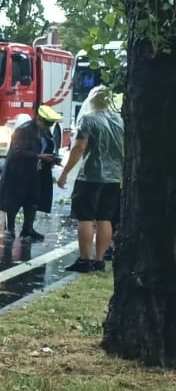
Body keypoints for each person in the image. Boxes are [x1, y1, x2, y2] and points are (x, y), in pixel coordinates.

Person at [57, 85, 124, 271]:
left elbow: (79, 147)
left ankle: (85, 260)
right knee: (105, 218)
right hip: (114, 177)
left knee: (85, 217)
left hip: (91, 175)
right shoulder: (119, 120)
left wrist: (65, 173)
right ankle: (99, 260)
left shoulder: (88, 119)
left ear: (91, 100)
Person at [0, 106, 60, 245]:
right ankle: (10, 228)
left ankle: (28, 229)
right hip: (18, 172)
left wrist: (51, 159)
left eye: (50, 124)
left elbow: (47, 147)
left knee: (32, 201)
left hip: (36, 172)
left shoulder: (45, 132)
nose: (48, 127)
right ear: (39, 119)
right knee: (13, 201)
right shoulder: (23, 131)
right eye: (46, 123)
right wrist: (38, 156)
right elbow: (16, 152)